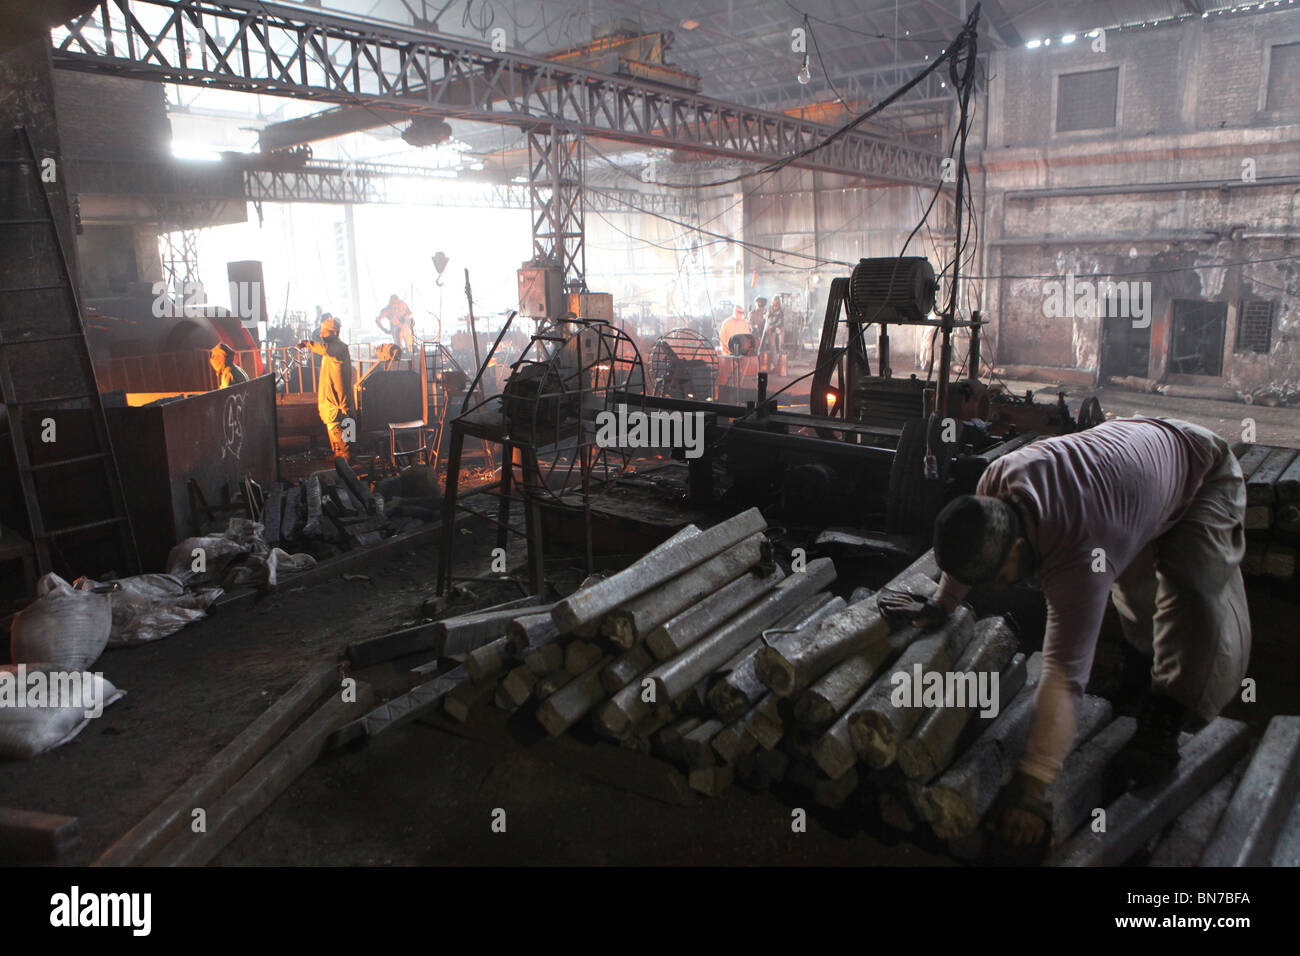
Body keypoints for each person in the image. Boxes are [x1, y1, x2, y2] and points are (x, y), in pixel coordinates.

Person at [880, 416, 1250, 855]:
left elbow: (1063, 672)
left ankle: (1170, 712)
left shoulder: (1080, 549)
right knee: (1133, 589)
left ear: (1018, 548)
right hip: (1134, 470)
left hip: (1202, 470)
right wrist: (942, 604)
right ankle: (1141, 669)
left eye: (1000, 577)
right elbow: (972, 551)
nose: (1000, 588)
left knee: (1192, 590)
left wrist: (1031, 785)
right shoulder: (996, 482)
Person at [300, 314, 355, 461]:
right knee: (333, 423)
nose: (321, 334)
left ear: (334, 332)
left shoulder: (338, 348)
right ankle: (338, 453)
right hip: (331, 393)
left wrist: (307, 344)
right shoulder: (334, 347)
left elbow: (324, 350)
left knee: (336, 424)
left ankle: (346, 455)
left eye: (324, 331)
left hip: (336, 395)